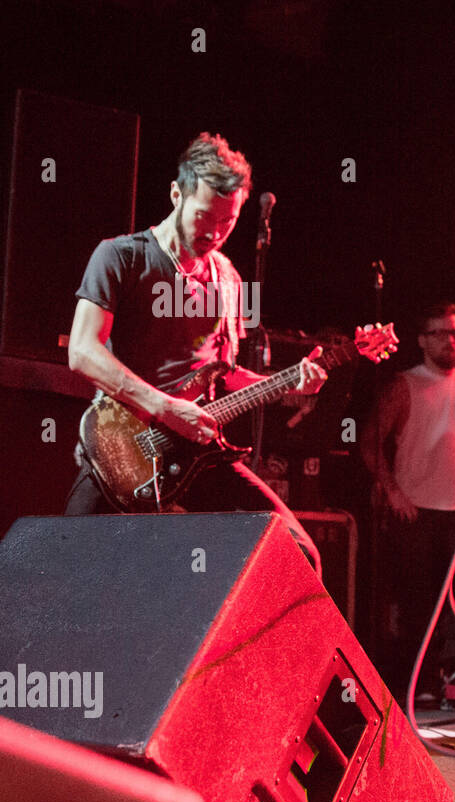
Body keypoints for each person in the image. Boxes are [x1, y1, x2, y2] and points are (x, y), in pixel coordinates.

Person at [65, 132, 325, 572]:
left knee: (299, 556)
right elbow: (82, 351)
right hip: (126, 448)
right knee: (74, 578)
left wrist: (288, 383)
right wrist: (166, 408)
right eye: (205, 215)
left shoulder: (229, 278)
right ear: (175, 194)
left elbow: (224, 375)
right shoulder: (120, 257)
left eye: (229, 221)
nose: (215, 232)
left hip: (201, 456)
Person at [361, 302, 455, 697]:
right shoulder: (403, 384)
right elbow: (370, 443)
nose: (451, 341)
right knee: (418, 603)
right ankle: (415, 686)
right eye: (441, 333)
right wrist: (392, 491)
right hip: (416, 510)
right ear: (423, 339)